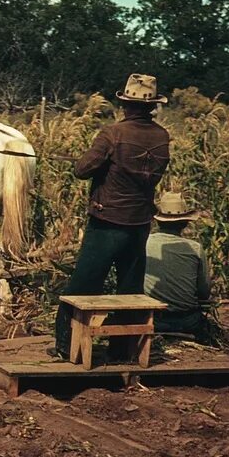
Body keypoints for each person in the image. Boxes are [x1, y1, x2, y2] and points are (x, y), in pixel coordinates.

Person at [54, 74, 171, 359]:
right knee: (130, 288)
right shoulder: (162, 136)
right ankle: (124, 351)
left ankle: (67, 347)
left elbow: (82, 170)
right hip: (140, 222)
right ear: (151, 106)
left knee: (83, 285)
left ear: (125, 104)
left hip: (107, 222)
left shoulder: (112, 134)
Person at [144, 191, 212, 343]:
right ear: (185, 222)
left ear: (157, 220)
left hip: (151, 319)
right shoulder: (195, 248)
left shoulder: (144, 243)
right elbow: (204, 291)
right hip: (187, 322)